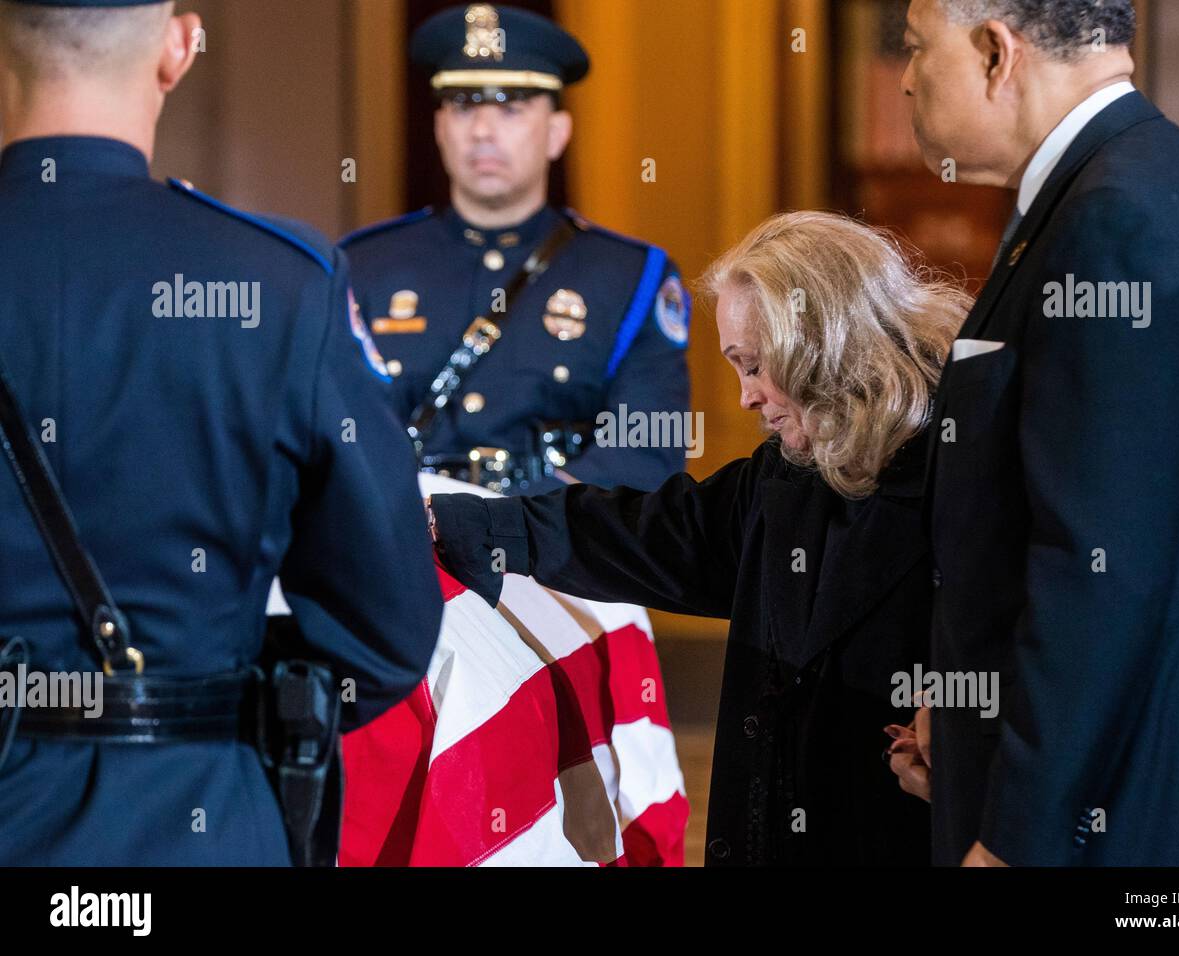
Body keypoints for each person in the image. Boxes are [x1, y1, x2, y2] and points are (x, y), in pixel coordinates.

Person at [0, 0, 441, 865]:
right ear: (175, 46)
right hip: (190, 818)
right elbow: (384, 633)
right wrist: (212, 664)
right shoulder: (279, 285)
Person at [430, 211, 969, 865]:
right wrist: (452, 520)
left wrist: (966, 734)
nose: (745, 397)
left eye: (757, 365)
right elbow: (640, 536)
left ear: (826, 342)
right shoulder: (787, 475)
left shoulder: (969, 474)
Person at [892, 0, 1179, 865]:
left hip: (1124, 814)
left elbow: (1098, 569)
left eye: (916, 47)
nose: (904, 78)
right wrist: (974, 722)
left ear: (997, 53)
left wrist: (1016, 833)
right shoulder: (1146, 180)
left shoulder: (1113, 218)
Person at [341, 3, 691, 495]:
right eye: (464, 107)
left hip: (556, 557)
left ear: (557, 133)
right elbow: (329, 434)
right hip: (404, 553)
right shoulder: (363, 266)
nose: (482, 131)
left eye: (511, 108)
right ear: (440, 128)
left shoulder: (632, 278)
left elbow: (649, 451)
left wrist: (506, 527)